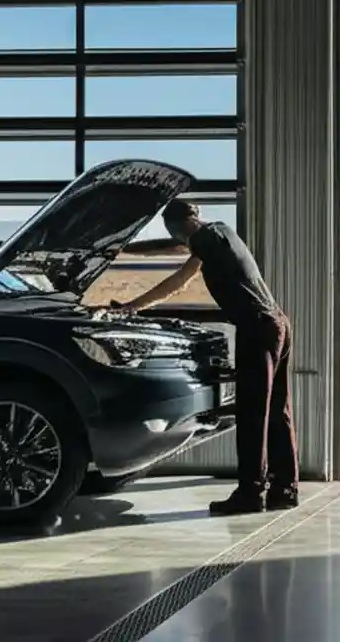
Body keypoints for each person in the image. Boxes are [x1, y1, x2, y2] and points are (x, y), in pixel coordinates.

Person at [115, 201, 298, 515]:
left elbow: (175, 275)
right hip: (277, 323)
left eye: (172, 230)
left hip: (256, 327)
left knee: (252, 412)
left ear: (179, 224)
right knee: (277, 410)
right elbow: (182, 274)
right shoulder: (221, 233)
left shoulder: (204, 238)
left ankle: (250, 494)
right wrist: (134, 303)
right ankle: (285, 488)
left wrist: (131, 303)